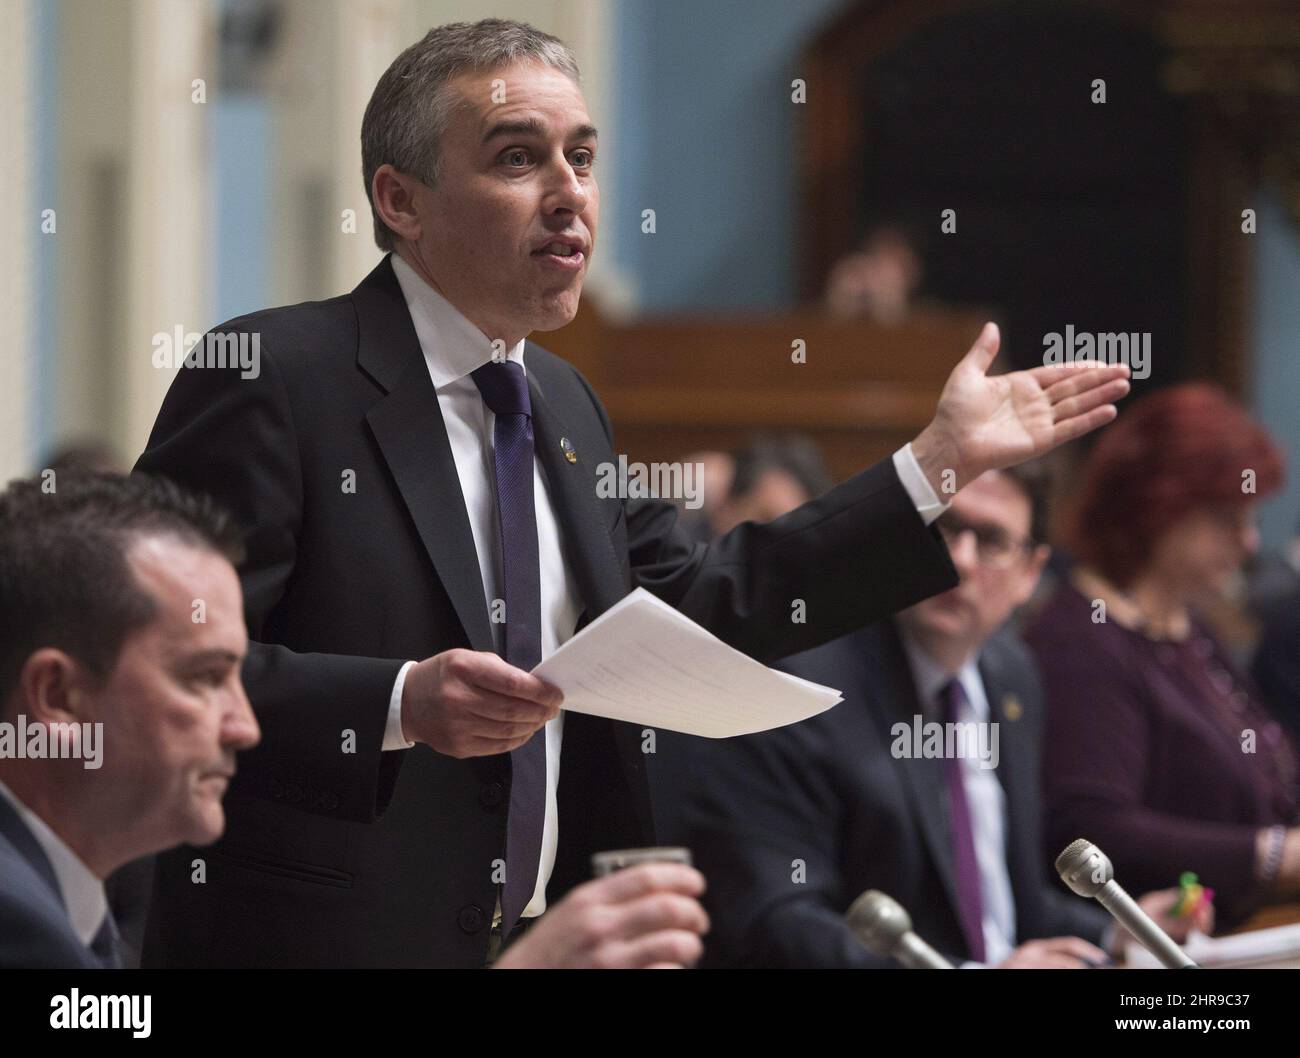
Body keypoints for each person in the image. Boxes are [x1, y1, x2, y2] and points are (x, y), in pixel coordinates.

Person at [135, 18, 1128, 968]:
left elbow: (705, 600)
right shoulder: (274, 374)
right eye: (519, 158)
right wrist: (397, 701)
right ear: (402, 200)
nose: (569, 193)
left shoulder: (564, 403)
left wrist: (934, 465)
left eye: (582, 156)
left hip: (552, 934)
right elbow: (149, 663)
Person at [682, 465, 1204, 967]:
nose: (960, 560)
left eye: (992, 541)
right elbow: (779, 924)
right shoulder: (798, 688)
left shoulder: (1010, 675)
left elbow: (1005, 906)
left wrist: (1115, 929)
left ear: (1030, 573)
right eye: (942, 528)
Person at [1024, 383, 1299, 927]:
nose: (1248, 542)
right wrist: (1273, 855)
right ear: (1158, 508)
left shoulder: (1188, 625)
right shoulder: (1081, 640)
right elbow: (1094, 829)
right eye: (1228, 519)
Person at [0, 472, 261, 968]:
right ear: (58, 696)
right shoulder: (18, 928)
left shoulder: (58, 902)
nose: (244, 727)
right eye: (205, 677)